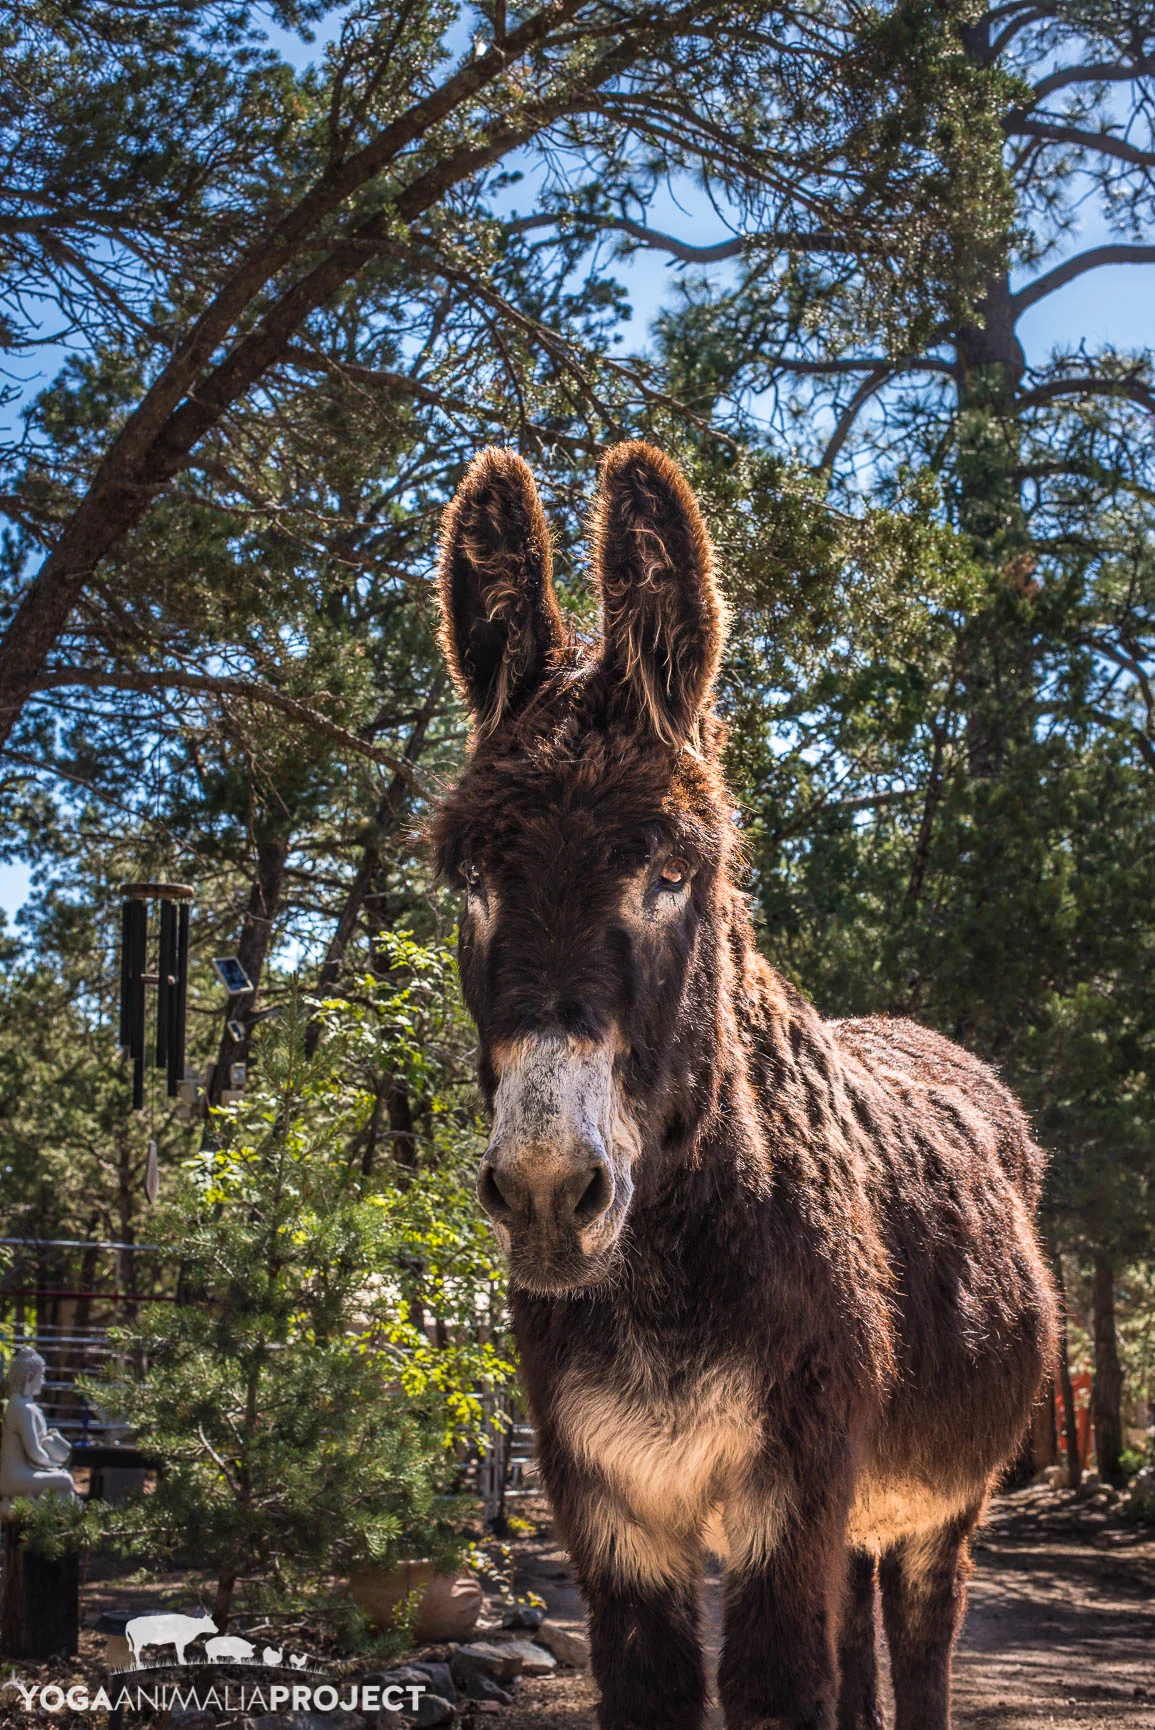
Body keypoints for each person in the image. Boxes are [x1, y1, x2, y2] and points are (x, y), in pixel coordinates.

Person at [0, 1346, 75, 1517]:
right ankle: (62, 1529)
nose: (44, 1381)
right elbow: (34, 1452)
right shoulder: (23, 1408)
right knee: (65, 1480)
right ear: (29, 1377)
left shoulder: (18, 1404)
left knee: (63, 1481)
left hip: (20, 1473)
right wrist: (54, 1465)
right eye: (41, 1376)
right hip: (15, 1477)